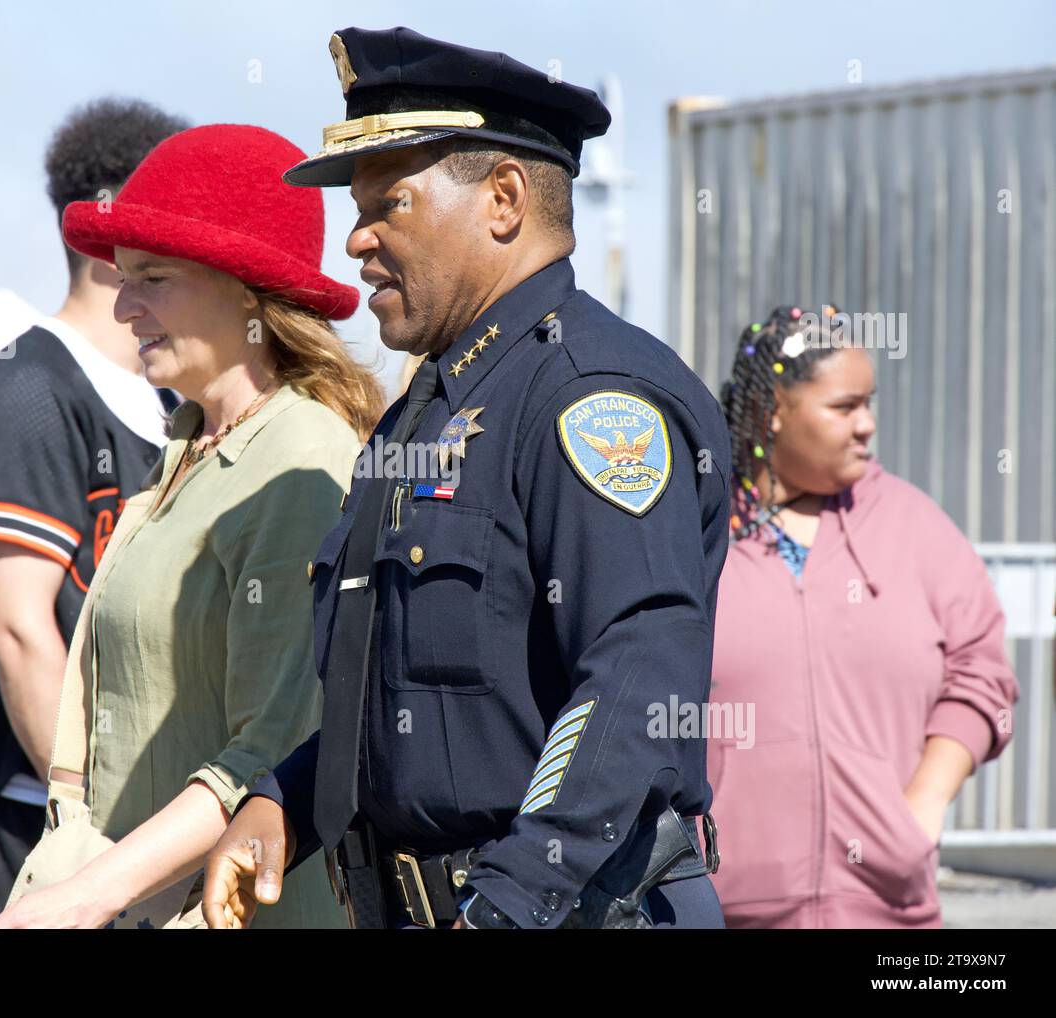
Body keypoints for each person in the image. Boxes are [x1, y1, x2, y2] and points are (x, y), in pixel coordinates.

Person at [203, 26, 732, 930]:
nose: (356, 241)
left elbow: (640, 674)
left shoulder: (589, 397)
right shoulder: (434, 404)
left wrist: (510, 900)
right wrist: (283, 805)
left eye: (389, 205)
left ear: (503, 198)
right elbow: (435, 706)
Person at [0, 123, 382, 929]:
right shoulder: (192, 442)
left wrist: (81, 901)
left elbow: (269, 749)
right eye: (123, 278)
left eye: (153, 279)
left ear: (246, 290)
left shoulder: (300, 459)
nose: (125, 305)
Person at [0, 98, 187, 929]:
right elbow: (18, 630)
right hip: (48, 827)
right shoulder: (29, 390)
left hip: (142, 829)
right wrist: (89, 834)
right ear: (112, 231)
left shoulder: (167, 400)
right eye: (173, 223)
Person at [707, 304, 1020, 928]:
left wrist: (921, 809)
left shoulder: (913, 527)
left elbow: (982, 670)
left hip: (889, 915)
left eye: (868, 403)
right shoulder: (697, 533)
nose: (867, 425)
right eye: (844, 407)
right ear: (773, 411)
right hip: (724, 913)